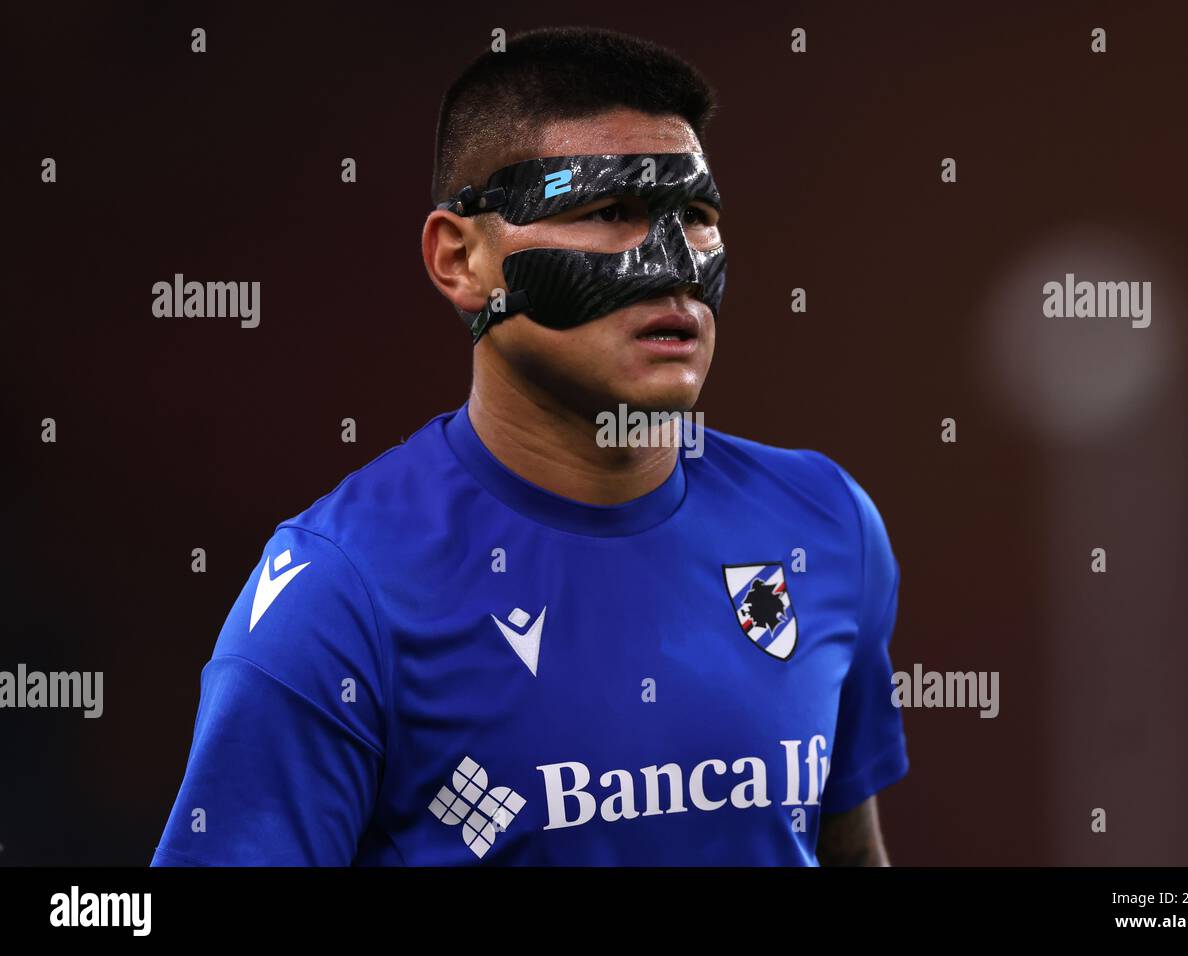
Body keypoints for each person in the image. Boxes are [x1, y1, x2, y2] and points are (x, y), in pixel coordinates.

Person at [151, 25, 908, 866]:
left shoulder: (824, 524)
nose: (675, 267)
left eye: (694, 216)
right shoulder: (341, 592)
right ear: (460, 258)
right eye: (607, 211)